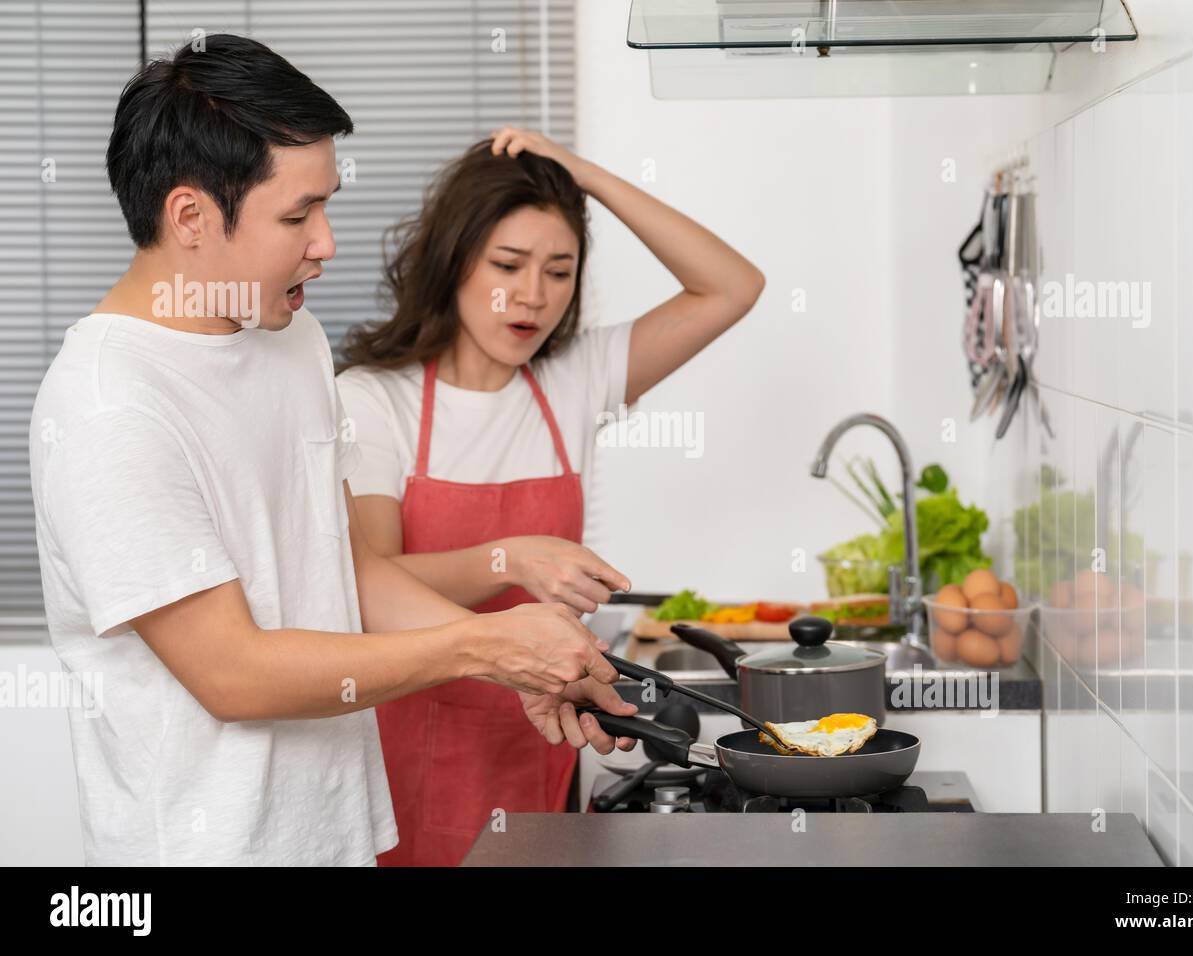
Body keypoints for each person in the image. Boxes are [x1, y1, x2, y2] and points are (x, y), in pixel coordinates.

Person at [27, 34, 635, 867]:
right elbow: (233, 675)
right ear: (191, 217)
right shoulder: (110, 405)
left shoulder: (290, 338)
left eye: (327, 204)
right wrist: (482, 645)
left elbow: (344, 569)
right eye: (296, 215)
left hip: (336, 837)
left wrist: (521, 660)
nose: (327, 242)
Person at [335, 129, 765, 865]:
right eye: (508, 264)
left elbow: (733, 285)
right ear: (454, 260)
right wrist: (511, 560)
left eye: (559, 270)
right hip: (409, 744)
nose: (532, 296)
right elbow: (367, 576)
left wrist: (581, 176)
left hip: (545, 736)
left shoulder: (573, 379)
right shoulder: (375, 400)